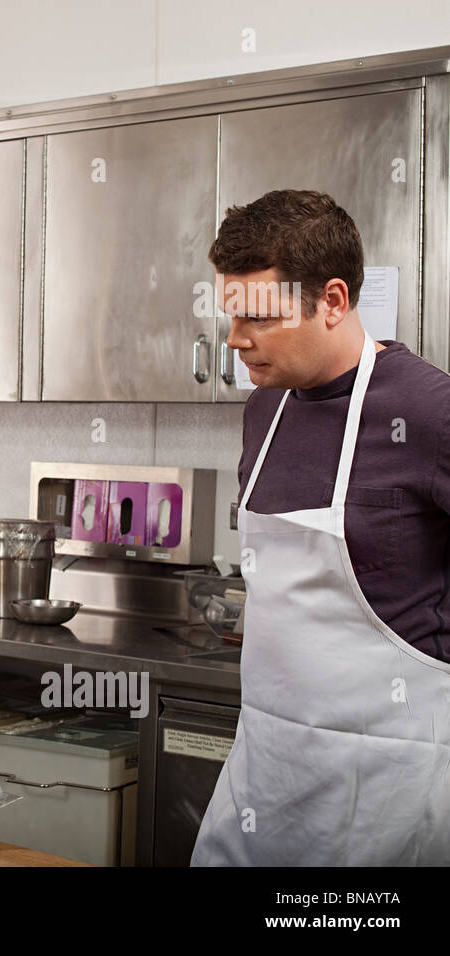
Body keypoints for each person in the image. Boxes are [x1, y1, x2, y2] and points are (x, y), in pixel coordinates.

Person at [191, 189, 450, 865]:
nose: (236, 340)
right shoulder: (264, 410)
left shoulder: (429, 412)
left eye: (259, 319)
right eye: (231, 315)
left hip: (386, 784)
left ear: (332, 301)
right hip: (268, 765)